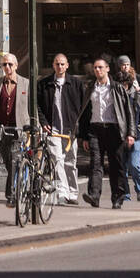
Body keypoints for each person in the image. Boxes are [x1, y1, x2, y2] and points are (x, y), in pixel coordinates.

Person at [77, 55, 135, 208]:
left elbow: (128, 112)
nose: (97, 70)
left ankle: (118, 198)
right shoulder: (90, 88)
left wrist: (131, 133)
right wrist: (83, 136)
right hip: (95, 130)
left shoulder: (116, 87)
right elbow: (85, 113)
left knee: (116, 165)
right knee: (95, 164)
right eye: (95, 68)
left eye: (100, 67)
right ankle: (94, 196)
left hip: (114, 130)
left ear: (107, 69)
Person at [0, 52, 32, 207]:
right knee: (8, 162)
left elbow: (32, 108)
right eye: (4, 64)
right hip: (1, 130)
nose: (7, 67)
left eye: (10, 64)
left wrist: (34, 129)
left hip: (19, 130)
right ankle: (17, 188)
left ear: (16, 66)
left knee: (15, 161)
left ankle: (12, 195)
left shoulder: (26, 84)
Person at [36, 53, 85, 205]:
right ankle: (62, 192)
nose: (60, 67)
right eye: (57, 64)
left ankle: (73, 193)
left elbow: (84, 107)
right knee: (57, 160)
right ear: (53, 66)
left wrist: (80, 128)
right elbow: (37, 105)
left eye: (63, 64)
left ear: (67, 65)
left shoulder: (76, 84)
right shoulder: (44, 84)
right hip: (54, 130)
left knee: (70, 161)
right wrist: (43, 122)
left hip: (71, 131)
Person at [117, 57, 140, 206]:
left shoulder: (137, 94)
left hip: (137, 135)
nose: (122, 87)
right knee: (122, 166)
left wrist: (138, 130)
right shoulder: (117, 95)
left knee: (134, 164)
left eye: (125, 85)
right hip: (121, 135)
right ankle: (125, 193)